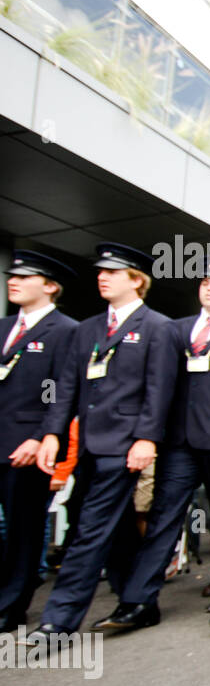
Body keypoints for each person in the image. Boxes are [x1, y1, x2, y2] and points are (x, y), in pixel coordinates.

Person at [27, 243, 178, 643]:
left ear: (137, 280)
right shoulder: (87, 328)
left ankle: (57, 623)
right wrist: (51, 435)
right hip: (91, 445)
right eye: (100, 272)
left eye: (113, 272)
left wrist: (146, 438)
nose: (102, 277)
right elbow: (67, 387)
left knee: (88, 530)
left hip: (126, 445)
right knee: (118, 525)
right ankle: (139, 603)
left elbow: (159, 390)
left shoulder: (158, 327)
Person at [110, 255, 210, 624]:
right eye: (204, 282)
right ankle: (139, 600)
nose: (208, 287)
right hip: (180, 441)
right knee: (164, 515)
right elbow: (161, 384)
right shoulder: (175, 330)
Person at [0, 251, 79, 632]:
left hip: (28, 447)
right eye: (11, 275)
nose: (13, 281)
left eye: (24, 277)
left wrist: (40, 437)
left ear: (50, 286)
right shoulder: (2, 328)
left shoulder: (65, 331)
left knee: (23, 530)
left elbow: (61, 392)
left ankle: (11, 606)